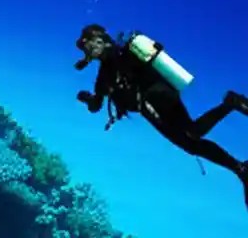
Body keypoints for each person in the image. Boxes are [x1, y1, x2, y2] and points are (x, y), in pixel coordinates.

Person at [74, 24, 248, 208]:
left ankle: (232, 111)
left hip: (155, 97)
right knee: (192, 139)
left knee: (191, 137)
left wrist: (91, 98)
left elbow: (145, 60)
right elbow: (97, 105)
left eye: (88, 45)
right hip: (154, 101)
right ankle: (240, 167)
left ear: (99, 40)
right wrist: (87, 99)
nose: (87, 50)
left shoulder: (121, 55)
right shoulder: (104, 76)